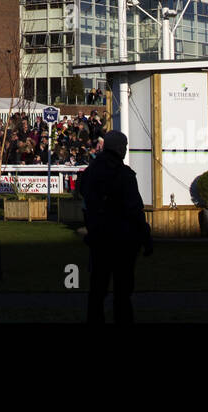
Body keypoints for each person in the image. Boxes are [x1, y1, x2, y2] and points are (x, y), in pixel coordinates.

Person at [77, 130, 153, 323]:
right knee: (122, 292)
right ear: (120, 148)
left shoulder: (91, 172)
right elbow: (135, 209)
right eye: (125, 147)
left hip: (99, 238)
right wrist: (146, 238)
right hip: (122, 240)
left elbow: (85, 200)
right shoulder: (124, 174)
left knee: (97, 291)